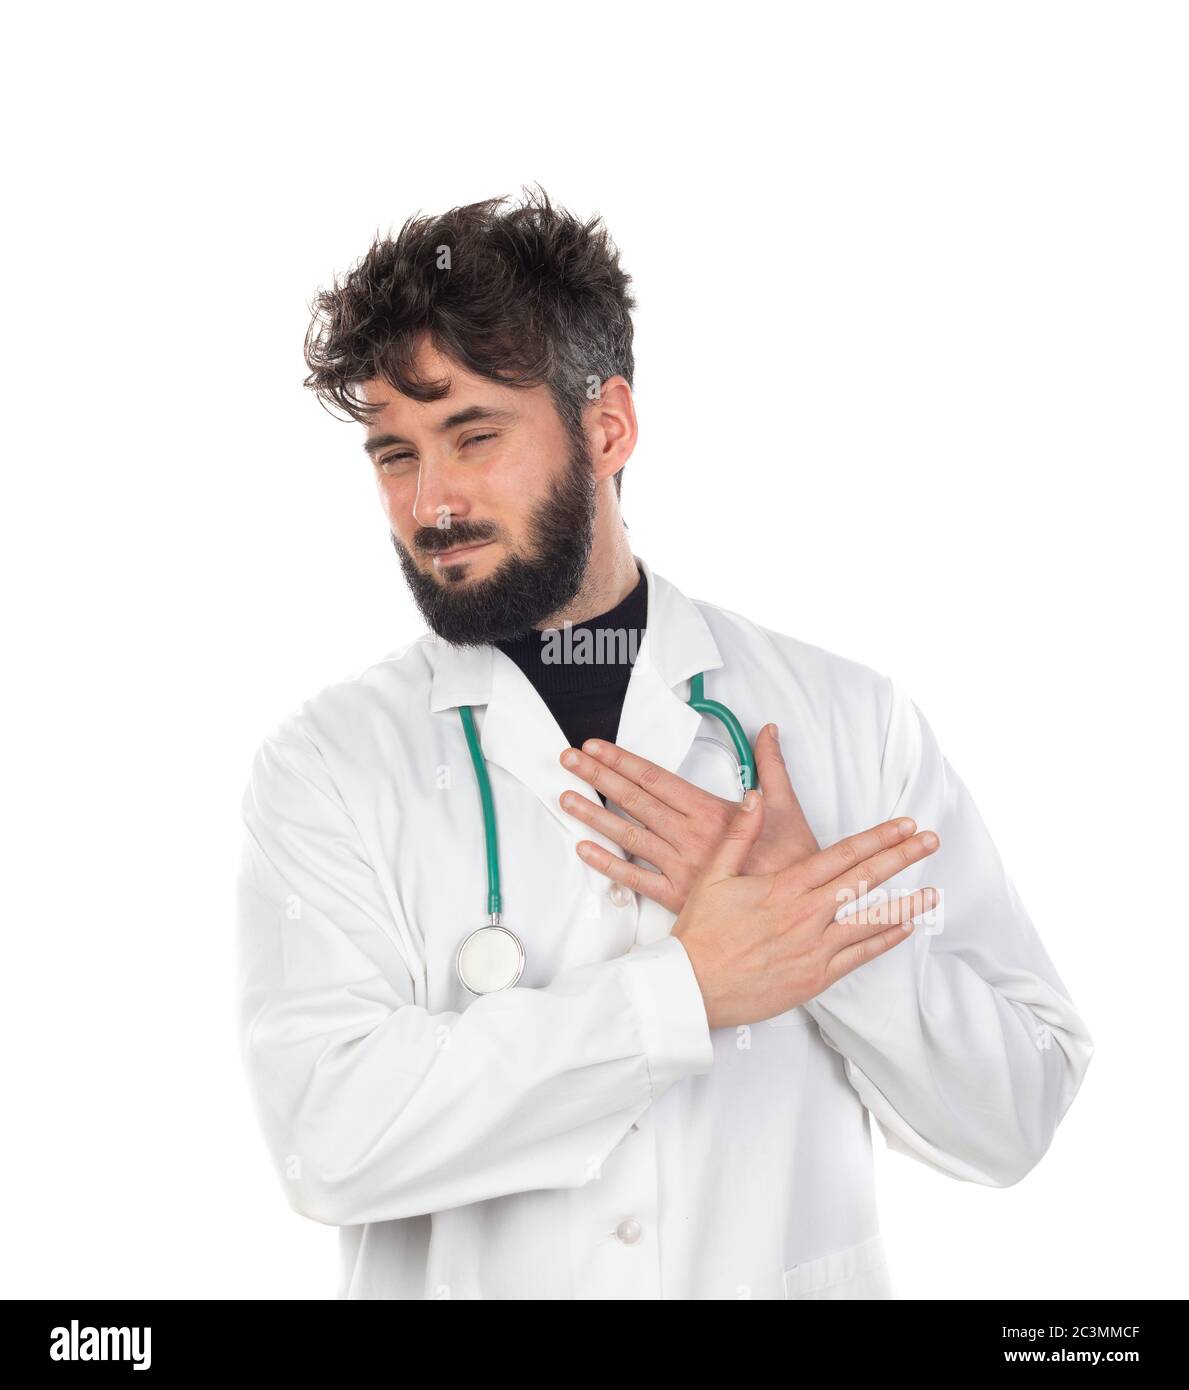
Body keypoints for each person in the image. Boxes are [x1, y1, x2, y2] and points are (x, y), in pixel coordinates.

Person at [235, 186, 1093, 1300]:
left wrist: (820, 922)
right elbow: (327, 1135)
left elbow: (1016, 1115)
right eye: (393, 455)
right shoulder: (328, 766)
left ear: (608, 428)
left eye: (474, 436)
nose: (429, 501)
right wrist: (683, 991)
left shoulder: (844, 720)